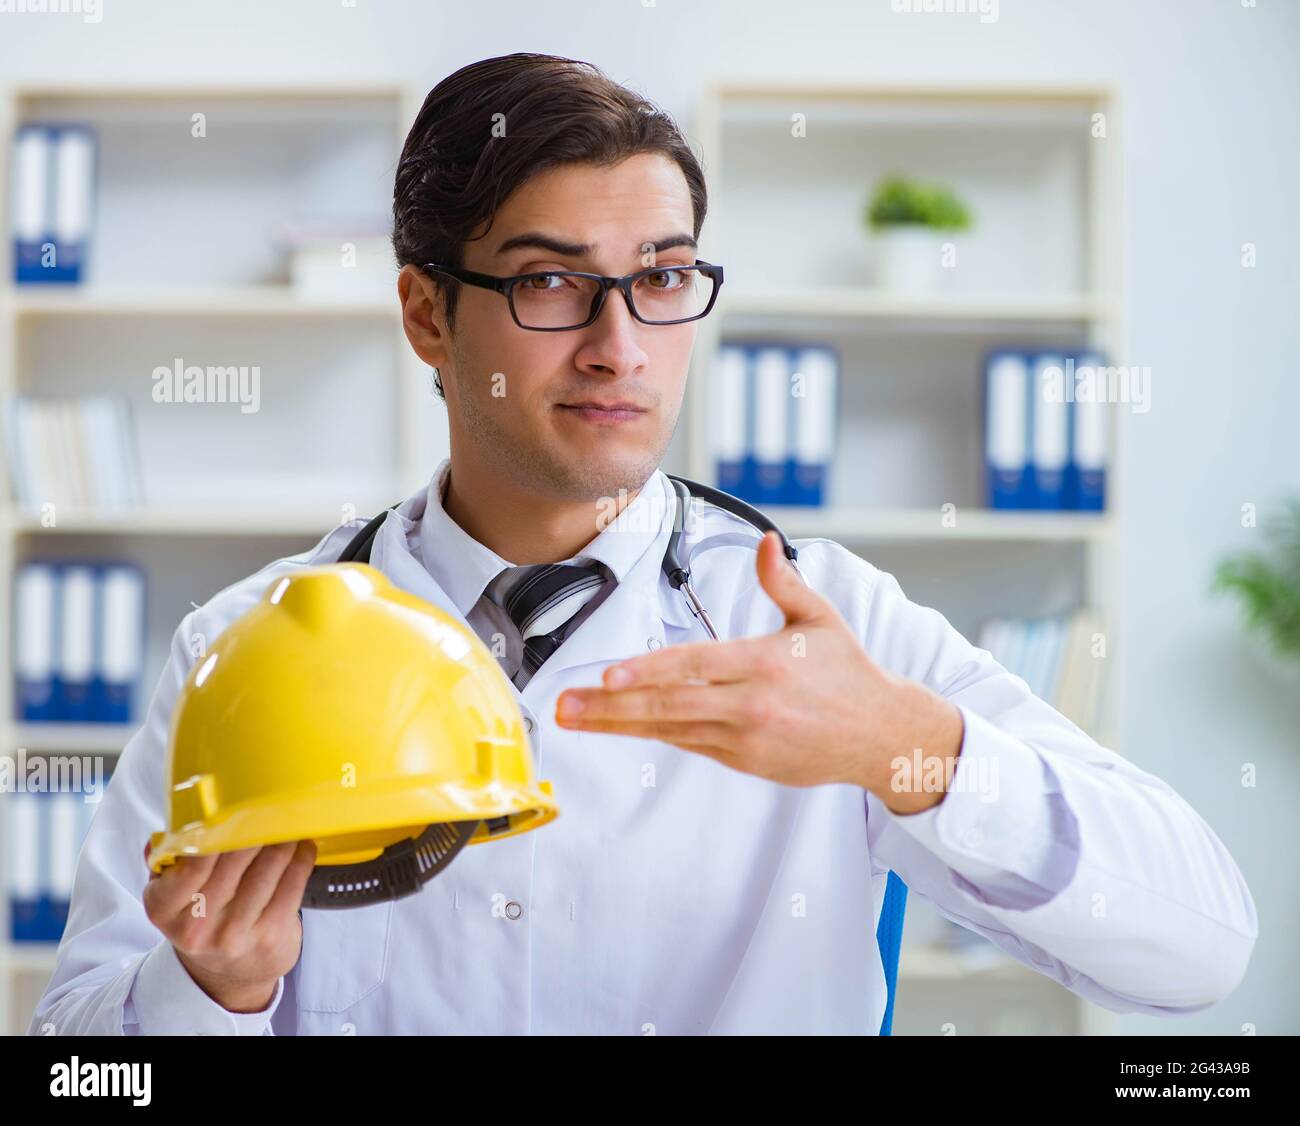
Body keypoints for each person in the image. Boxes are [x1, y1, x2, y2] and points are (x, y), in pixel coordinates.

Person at [30, 52, 1256, 1036]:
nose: (620, 343)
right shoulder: (242, 650)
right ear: (425, 313)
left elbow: (1200, 946)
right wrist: (209, 994)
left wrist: (907, 750)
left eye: (663, 280)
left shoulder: (818, 622)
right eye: (552, 284)